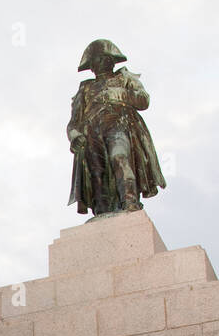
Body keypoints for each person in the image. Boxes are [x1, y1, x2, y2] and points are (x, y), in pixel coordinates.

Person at [67, 39, 166, 218]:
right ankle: (102, 210)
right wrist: (75, 135)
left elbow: (143, 100)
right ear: (91, 65)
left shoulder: (124, 78)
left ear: (112, 60)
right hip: (91, 132)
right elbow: (74, 122)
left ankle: (130, 203)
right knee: (97, 172)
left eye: (104, 58)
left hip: (119, 123)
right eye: (96, 60)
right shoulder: (85, 88)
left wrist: (118, 94)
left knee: (119, 156)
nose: (100, 63)